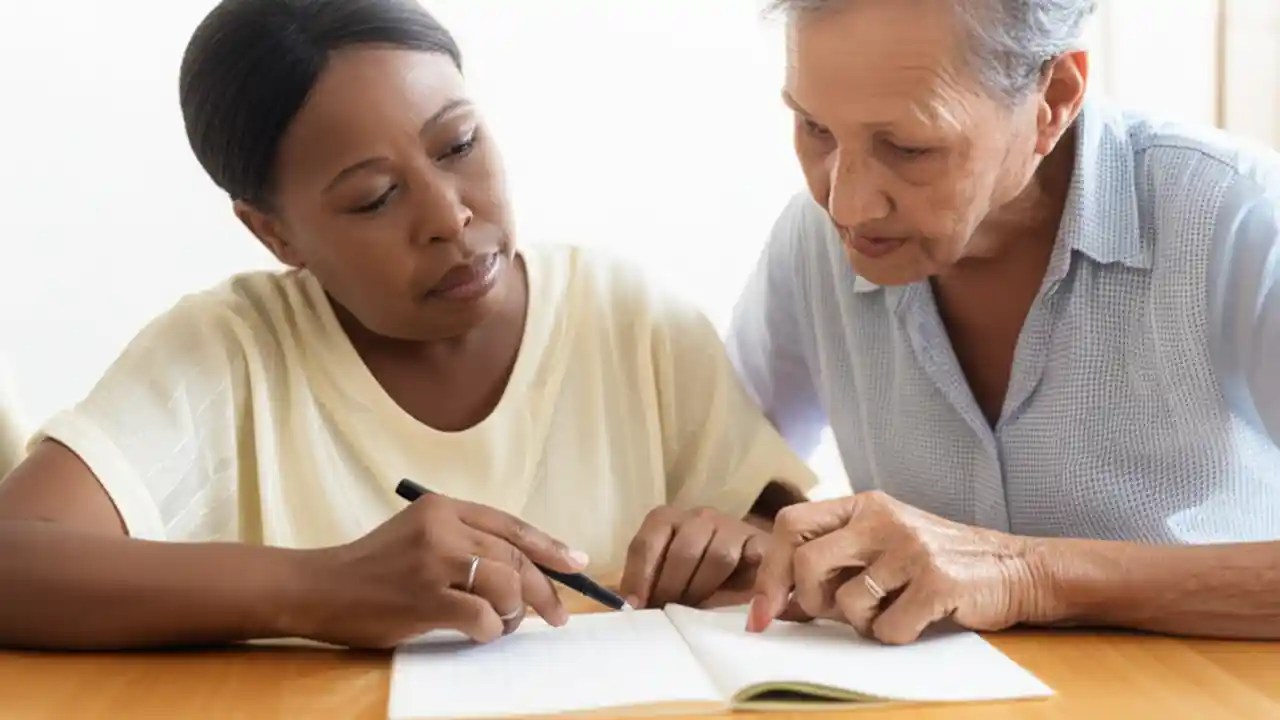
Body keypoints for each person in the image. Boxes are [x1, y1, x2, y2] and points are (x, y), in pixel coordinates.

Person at [0, 0, 815, 651]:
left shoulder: (625, 316)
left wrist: (735, 542)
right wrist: (324, 589)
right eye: (375, 199)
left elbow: (777, 539)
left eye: (458, 143)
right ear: (274, 235)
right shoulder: (230, 354)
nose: (450, 216)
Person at [733, 0, 1280, 644]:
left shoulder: (1237, 220)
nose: (846, 202)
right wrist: (727, 528)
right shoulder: (813, 238)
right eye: (815, 128)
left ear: (1055, 99)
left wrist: (1028, 575)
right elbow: (746, 477)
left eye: (909, 147)